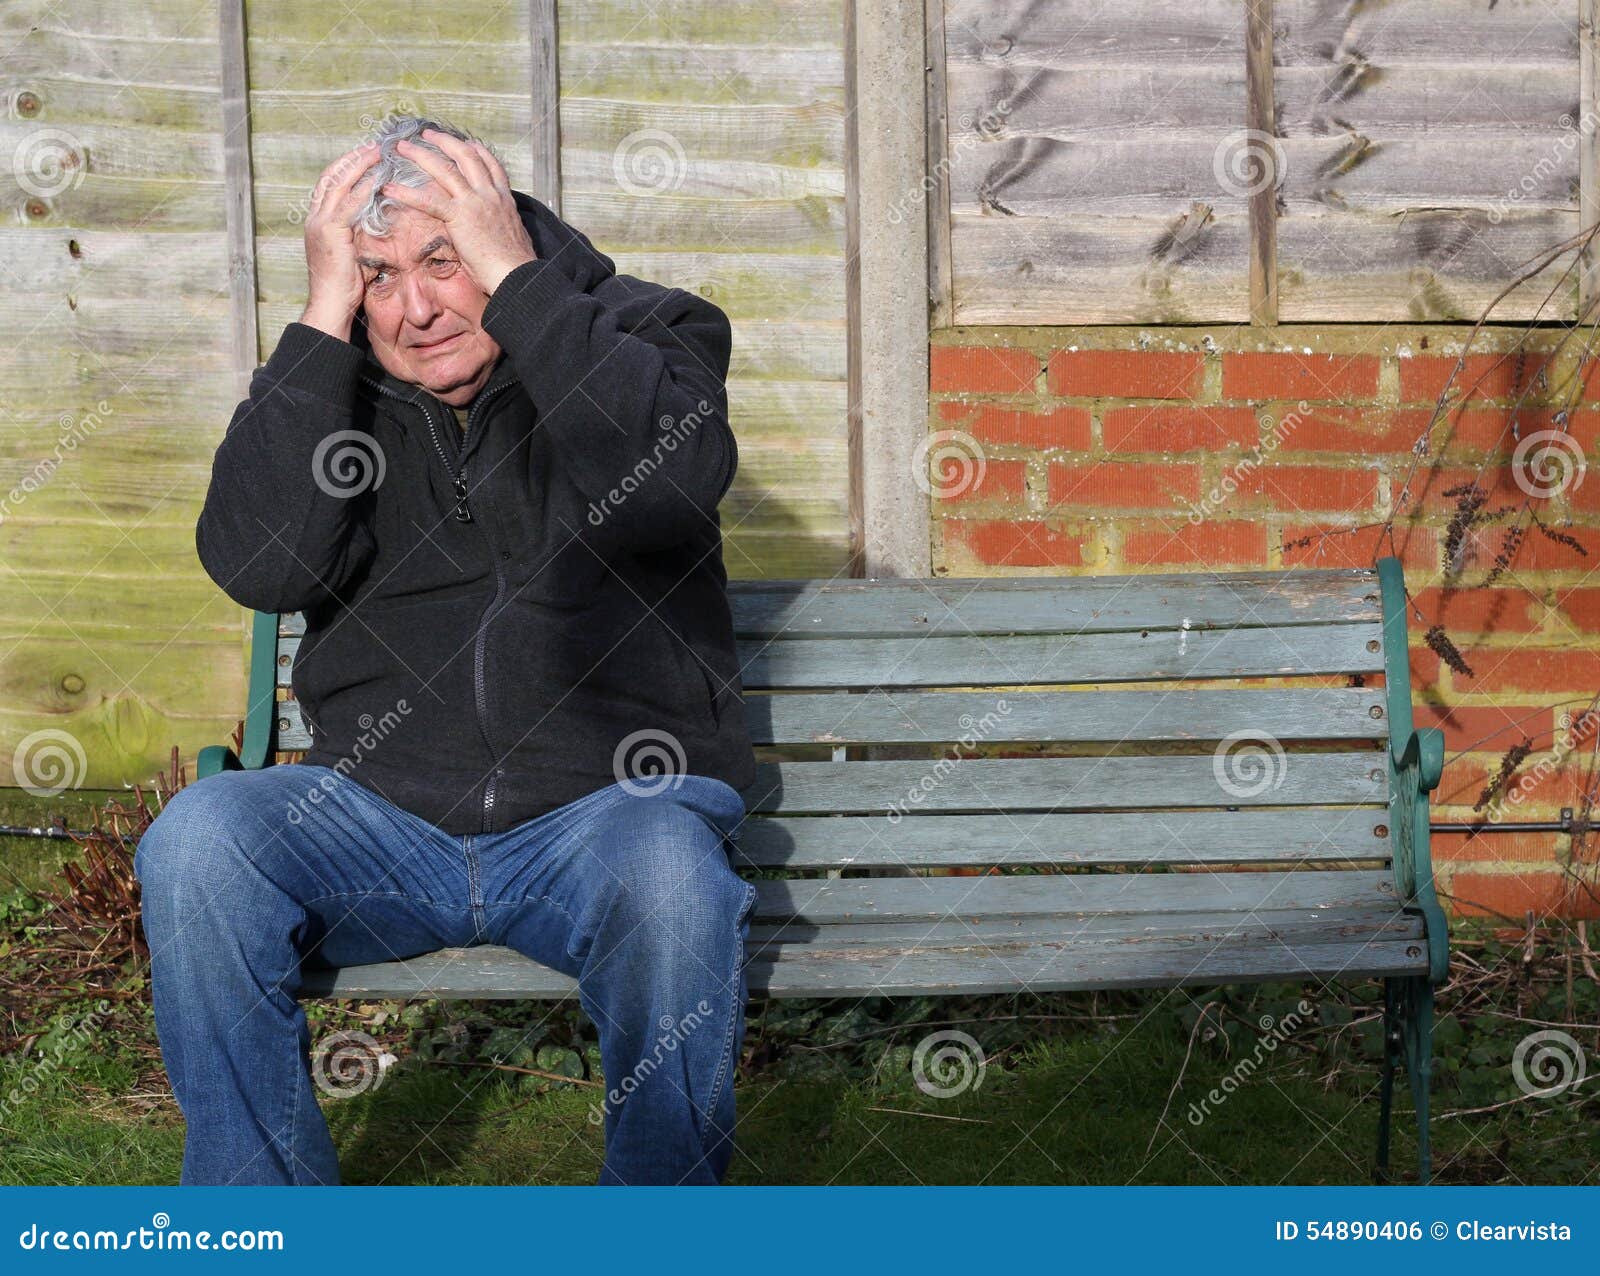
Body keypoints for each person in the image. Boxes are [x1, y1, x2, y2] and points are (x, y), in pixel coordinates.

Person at [134, 115, 759, 1186]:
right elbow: (261, 568)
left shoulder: (653, 335)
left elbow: (667, 482)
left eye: (444, 260)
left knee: (670, 876)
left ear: (504, 240)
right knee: (199, 841)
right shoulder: (337, 387)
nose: (416, 309)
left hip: (604, 817)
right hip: (377, 824)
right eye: (378, 275)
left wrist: (522, 287)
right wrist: (324, 321)